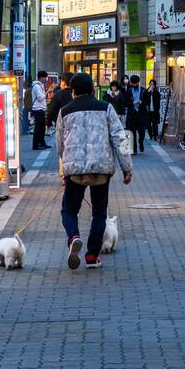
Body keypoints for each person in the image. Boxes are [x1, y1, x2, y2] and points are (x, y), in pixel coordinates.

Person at [57, 73, 132, 270]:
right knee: (99, 213)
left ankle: (73, 236)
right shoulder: (106, 108)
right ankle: (91, 256)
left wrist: (63, 169)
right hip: (101, 168)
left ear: (72, 91)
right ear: (92, 89)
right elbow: (119, 138)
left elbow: (60, 144)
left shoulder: (65, 111)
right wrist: (127, 168)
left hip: (74, 169)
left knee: (69, 209)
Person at [125, 75, 151, 154]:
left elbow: (147, 101)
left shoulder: (143, 90)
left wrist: (141, 102)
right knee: (132, 132)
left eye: (135, 84)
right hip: (132, 114)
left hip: (141, 114)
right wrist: (132, 103)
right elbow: (125, 103)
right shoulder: (128, 91)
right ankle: (134, 149)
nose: (134, 85)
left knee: (142, 131)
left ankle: (141, 143)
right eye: (132, 84)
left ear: (138, 82)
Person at [30, 70, 49, 150]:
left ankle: (42, 143)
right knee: (38, 128)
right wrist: (48, 92)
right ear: (41, 77)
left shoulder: (40, 85)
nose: (46, 79)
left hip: (40, 109)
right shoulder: (37, 86)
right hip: (38, 109)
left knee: (41, 128)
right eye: (45, 77)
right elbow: (40, 98)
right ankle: (36, 145)